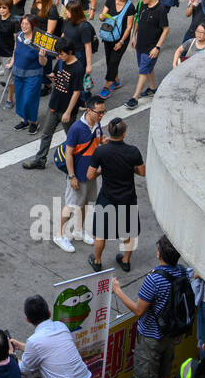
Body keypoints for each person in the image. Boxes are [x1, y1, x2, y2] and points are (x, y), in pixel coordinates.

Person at [111, 234, 191, 378]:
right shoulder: (183, 271)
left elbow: (139, 310)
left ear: (158, 254)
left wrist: (117, 290)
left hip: (151, 337)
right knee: (164, 372)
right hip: (170, 332)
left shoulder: (154, 279)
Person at [10, 294, 94, 378]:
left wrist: (10, 355)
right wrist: (22, 346)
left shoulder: (34, 341)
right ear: (49, 313)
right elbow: (49, 349)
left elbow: (23, 369)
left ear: (27, 319)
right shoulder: (61, 326)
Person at [87, 116, 144, 273]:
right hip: (127, 198)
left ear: (109, 133)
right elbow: (142, 172)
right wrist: (127, 167)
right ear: (124, 133)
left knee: (100, 233)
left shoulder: (101, 152)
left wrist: (103, 169)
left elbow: (90, 175)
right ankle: (126, 261)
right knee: (128, 232)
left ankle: (97, 261)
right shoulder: (133, 152)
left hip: (107, 198)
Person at [22, 38, 86, 171]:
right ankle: (40, 160)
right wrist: (53, 78)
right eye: (58, 53)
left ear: (70, 52)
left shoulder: (78, 68)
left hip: (67, 109)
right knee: (46, 134)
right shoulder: (61, 62)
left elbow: (76, 92)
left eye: (62, 54)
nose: (59, 56)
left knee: (72, 137)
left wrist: (68, 112)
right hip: (54, 104)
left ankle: (78, 161)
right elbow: (57, 79)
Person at [52, 98, 106, 253]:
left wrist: (103, 141)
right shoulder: (76, 128)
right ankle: (59, 235)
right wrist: (71, 176)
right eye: (99, 112)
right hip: (78, 175)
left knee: (85, 202)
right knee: (70, 205)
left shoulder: (96, 124)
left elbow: (97, 140)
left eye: (103, 112)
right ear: (89, 111)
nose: (102, 115)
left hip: (91, 174)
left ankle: (79, 230)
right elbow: (69, 154)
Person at [124, 0, 170, 109]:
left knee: (143, 70)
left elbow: (166, 30)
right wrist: (134, 35)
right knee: (147, 67)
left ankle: (135, 98)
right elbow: (137, 20)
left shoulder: (160, 10)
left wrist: (157, 47)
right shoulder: (141, 4)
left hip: (151, 47)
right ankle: (152, 88)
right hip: (140, 44)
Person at [10, 14, 45, 132]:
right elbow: (16, 50)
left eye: (26, 24)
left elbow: (43, 63)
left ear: (33, 26)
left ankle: (34, 122)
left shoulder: (38, 42)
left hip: (33, 75)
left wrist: (41, 56)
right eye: (22, 23)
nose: (23, 26)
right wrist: (11, 62)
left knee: (29, 99)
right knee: (19, 97)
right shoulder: (19, 36)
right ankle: (23, 120)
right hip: (18, 72)